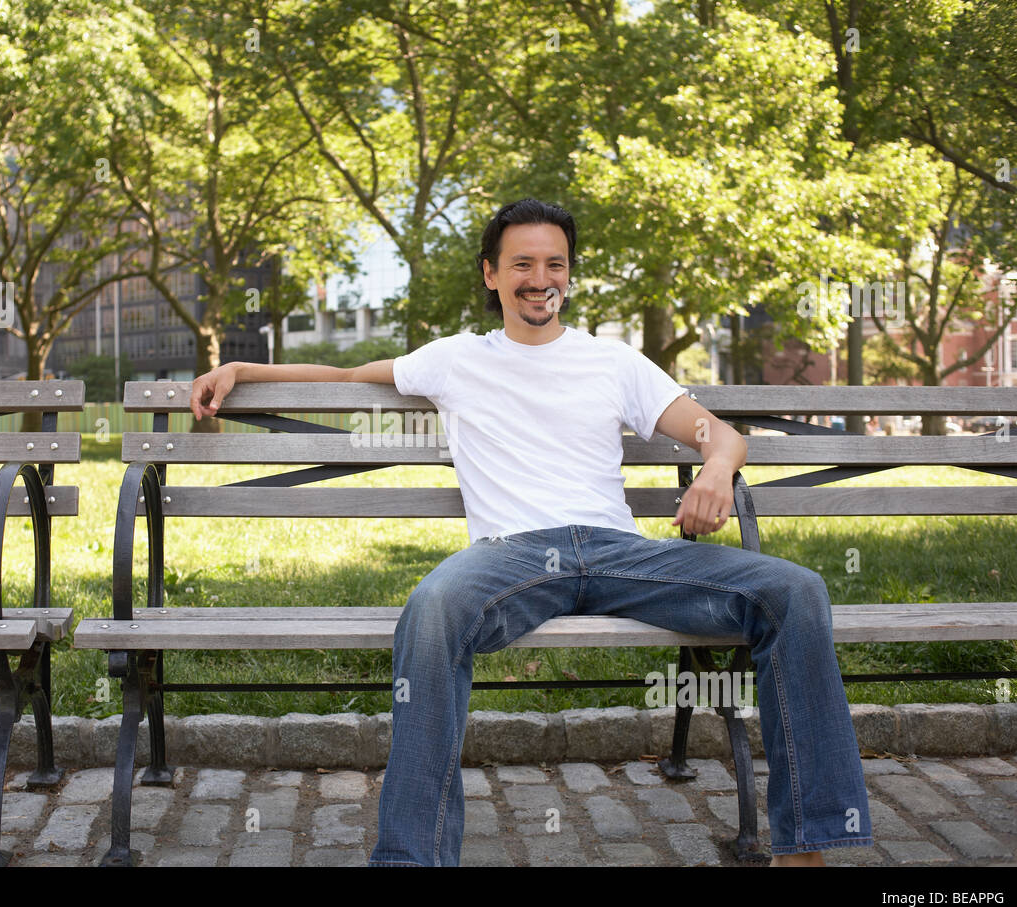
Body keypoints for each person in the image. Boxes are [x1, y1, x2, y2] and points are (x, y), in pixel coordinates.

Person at [189, 197, 873, 868]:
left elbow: (716, 434)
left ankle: (805, 848)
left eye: (555, 264)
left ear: (569, 274)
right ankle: (411, 859)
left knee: (796, 590)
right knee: (431, 612)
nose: (540, 279)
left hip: (617, 555)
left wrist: (717, 472)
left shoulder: (615, 362)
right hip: (510, 559)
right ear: (491, 274)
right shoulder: (454, 359)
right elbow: (341, 374)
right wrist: (241, 369)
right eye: (522, 264)